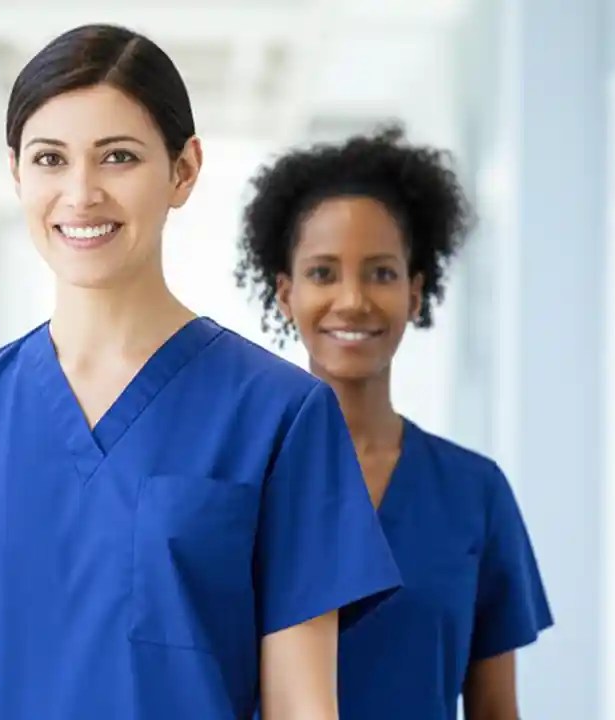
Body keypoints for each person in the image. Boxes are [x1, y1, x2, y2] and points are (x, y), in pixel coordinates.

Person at [0, 24, 401, 720]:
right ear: (16, 173)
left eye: (118, 157)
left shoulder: (280, 417)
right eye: (49, 159)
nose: (81, 193)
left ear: (183, 171)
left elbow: (303, 707)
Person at [235, 124, 553, 719]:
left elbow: (494, 709)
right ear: (285, 293)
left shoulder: (473, 493)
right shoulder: (236, 483)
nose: (352, 300)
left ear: (414, 291)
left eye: (380, 273)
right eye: (323, 273)